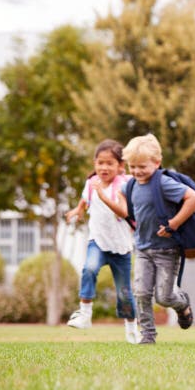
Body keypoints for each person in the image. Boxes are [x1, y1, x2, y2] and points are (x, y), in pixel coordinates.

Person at [96, 133, 195, 345]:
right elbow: (124, 199)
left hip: (167, 250)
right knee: (141, 293)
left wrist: (174, 224)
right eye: (132, 167)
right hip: (142, 249)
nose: (137, 171)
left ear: (157, 163)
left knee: (164, 297)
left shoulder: (164, 184)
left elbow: (194, 199)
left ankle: (183, 304)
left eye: (142, 166)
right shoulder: (131, 185)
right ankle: (148, 336)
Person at [65, 139, 139, 344]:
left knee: (124, 292)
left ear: (120, 166)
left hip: (121, 246)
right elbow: (85, 199)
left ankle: (132, 329)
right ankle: (85, 314)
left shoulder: (123, 185)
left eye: (110, 163)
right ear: (94, 163)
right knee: (89, 268)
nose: (104, 167)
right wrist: (78, 210)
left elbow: (124, 211)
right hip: (97, 240)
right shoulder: (91, 183)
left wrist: (102, 195)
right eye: (100, 163)